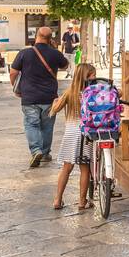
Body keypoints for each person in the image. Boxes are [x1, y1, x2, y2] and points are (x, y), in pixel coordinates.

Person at [10, 25, 68, 168]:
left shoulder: (24, 53)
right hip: (49, 97)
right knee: (47, 127)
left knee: (31, 124)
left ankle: (36, 150)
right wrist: (54, 49)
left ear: (36, 36)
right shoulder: (55, 53)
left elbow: (13, 72)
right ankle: (45, 153)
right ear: (50, 38)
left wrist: (16, 87)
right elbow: (65, 66)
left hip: (29, 96)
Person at [50, 62, 96, 211]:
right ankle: (82, 201)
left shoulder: (70, 92)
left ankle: (57, 199)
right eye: (93, 75)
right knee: (85, 169)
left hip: (70, 133)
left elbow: (55, 109)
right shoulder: (92, 93)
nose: (95, 78)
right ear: (86, 77)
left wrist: (55, 102)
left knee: (66, 168)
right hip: (85, 133)